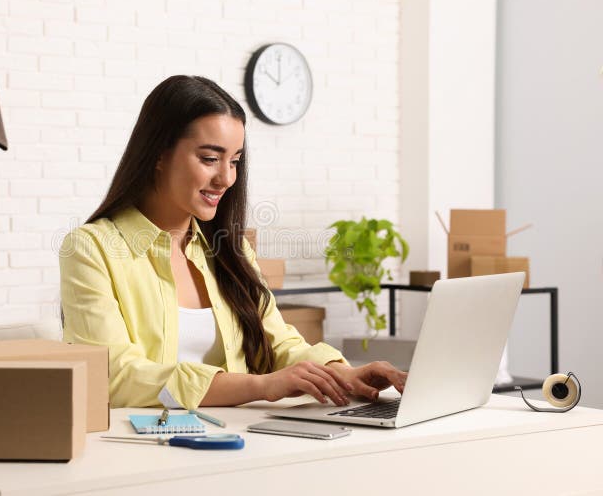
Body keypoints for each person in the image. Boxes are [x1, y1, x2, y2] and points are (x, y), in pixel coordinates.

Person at [59, 75, 407, 410]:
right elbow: (114, 376)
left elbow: (278, 343)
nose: (226, 178)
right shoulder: (92, 249)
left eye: (235, 161)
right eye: (210, 159)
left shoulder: (230, 249)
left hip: (240, 437)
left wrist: (343, 374)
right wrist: (261, 386)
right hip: (147, 441)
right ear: (159, 154)